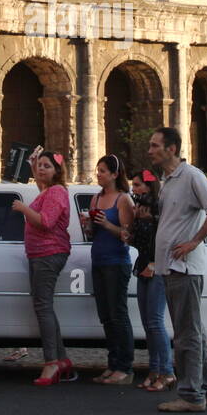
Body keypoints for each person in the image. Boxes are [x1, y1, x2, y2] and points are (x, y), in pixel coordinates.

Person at [148, 127, 207, 413]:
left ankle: (190, 395)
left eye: (155, 145)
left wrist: (194, 241)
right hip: (171, 267)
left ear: (172, 149)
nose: (150, 150)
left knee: (186, 335)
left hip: (184, 268)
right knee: (194, 331)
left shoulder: (191, 175)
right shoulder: (167, 180)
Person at [12, 147, 75, 386]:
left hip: (49, 253)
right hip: (41, 253)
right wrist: (33, 166)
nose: (41, 168)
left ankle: (51, 363)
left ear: (58, 171)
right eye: (39, 165)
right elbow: (42, 194)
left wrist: (22, 208)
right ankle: (61, 359)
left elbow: (46, 222)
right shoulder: (49, 191)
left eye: (47, 166)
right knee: (44, 306)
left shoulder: (57, 192)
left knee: (43, 307)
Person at [87, 154, 136, 385]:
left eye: (103, 170)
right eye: (97, 170)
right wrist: (88, 225)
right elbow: (93, 234)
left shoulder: (124, 199)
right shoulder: (95, 198)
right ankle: (112, 363)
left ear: (115, 174)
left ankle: (125, 367)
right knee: (105, 315)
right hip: (98, 260)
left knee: (118, 315)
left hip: (117, 262)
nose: (98, 174)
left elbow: (128, 235)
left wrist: (107, 224)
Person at [128, 169, 174, 391]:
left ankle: (167, 372)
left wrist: (151, 219)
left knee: (155, 321)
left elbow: (167, 239)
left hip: (157, 268)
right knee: (148, 324)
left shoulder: (160, 208)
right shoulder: (141, 209)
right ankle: (154, 370)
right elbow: (139, 242)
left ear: (148, 186)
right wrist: (130, 232)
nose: (133, 189)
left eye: (137, 185)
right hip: (143, 266)